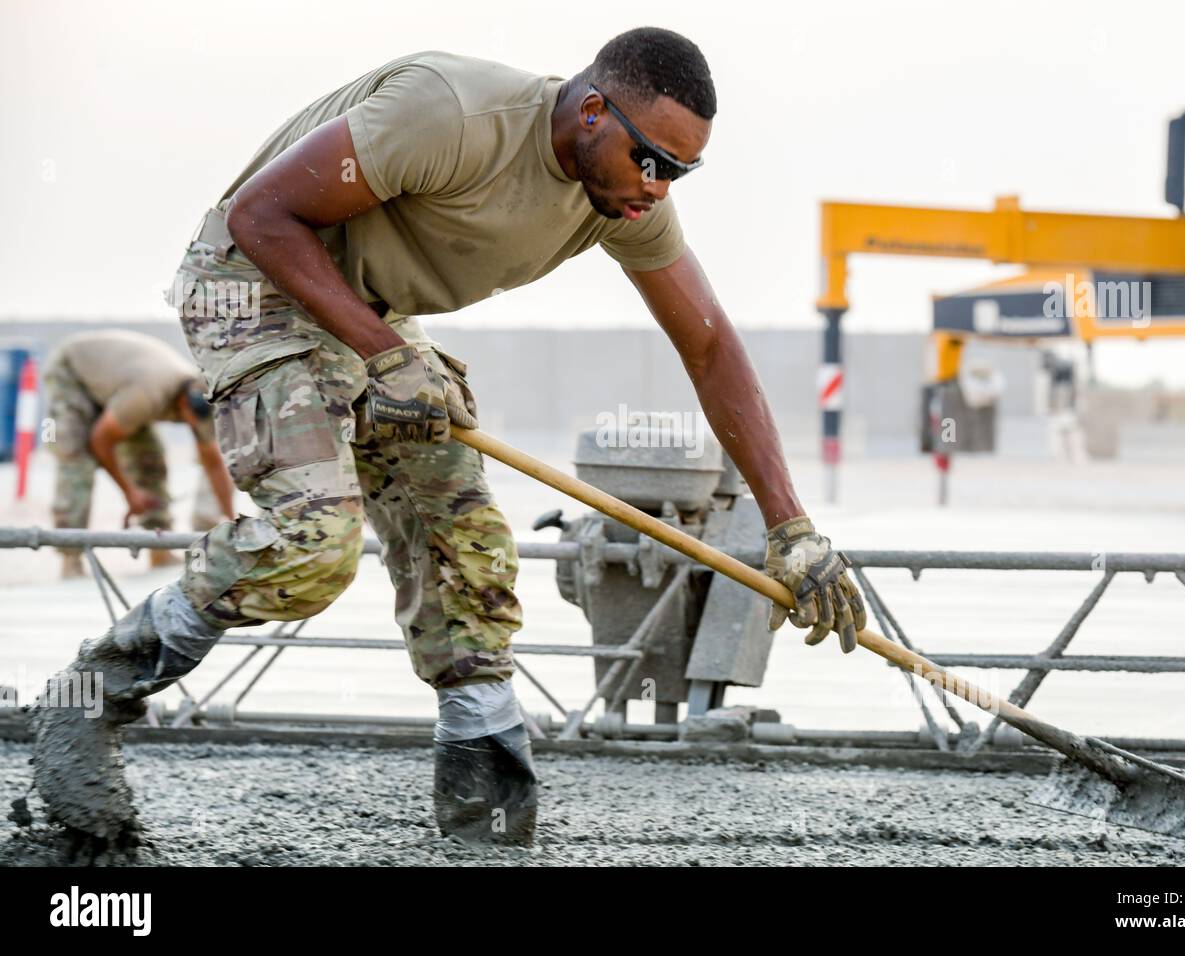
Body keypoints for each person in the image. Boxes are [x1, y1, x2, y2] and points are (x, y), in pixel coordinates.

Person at [30, 27, 866, 848]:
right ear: (593, 113)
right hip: (251, 282)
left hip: (370, 310)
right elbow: (261, 215)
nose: (660, 189)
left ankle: (486, 793)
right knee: (315, 544)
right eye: (652, 160)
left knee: (467, 542)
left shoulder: (627, 200)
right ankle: (94, 689)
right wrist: (388, 357)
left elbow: (712, 345)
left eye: (683, 171)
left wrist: (790, 527)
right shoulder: (450, 114)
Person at [42, 330, 237, 578]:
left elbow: (214, 466)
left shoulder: (202, 400)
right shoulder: (146, 396)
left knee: (149, 462)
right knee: (76, 459)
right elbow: (100, 442)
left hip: (120, 385)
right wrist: (130, 492)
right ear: (183, 404)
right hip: (73, 372)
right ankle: (70, 559)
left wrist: (232, 520)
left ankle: (159, 550)